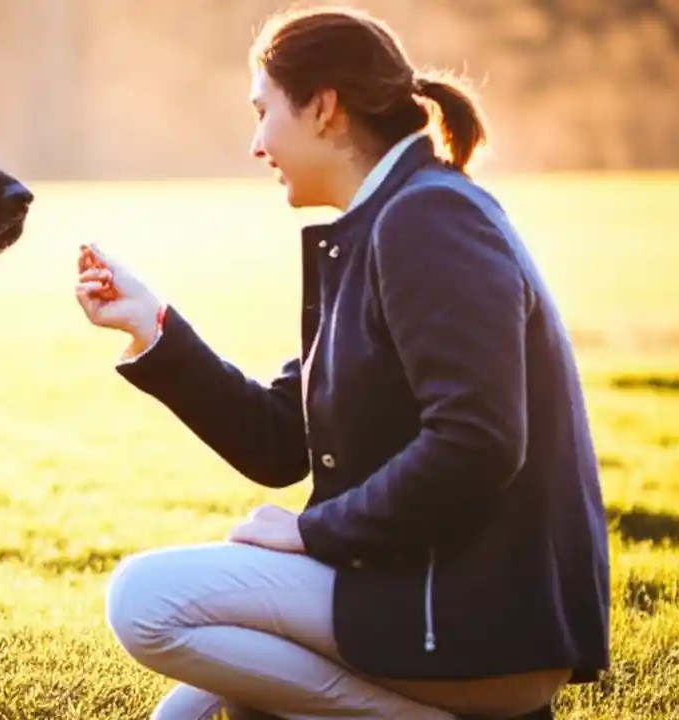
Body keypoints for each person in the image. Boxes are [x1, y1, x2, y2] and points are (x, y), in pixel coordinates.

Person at [73, 7, 610, 720]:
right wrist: (153, 328)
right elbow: (278, 440)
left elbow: (478, 440)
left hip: (476, 621)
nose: (256, 143)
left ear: (324, 107)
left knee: (144, 601)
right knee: (184, 712)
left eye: (263, 112)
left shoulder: (429, 220)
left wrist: (308, 534)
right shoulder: (383, 224)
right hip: (426, 593)